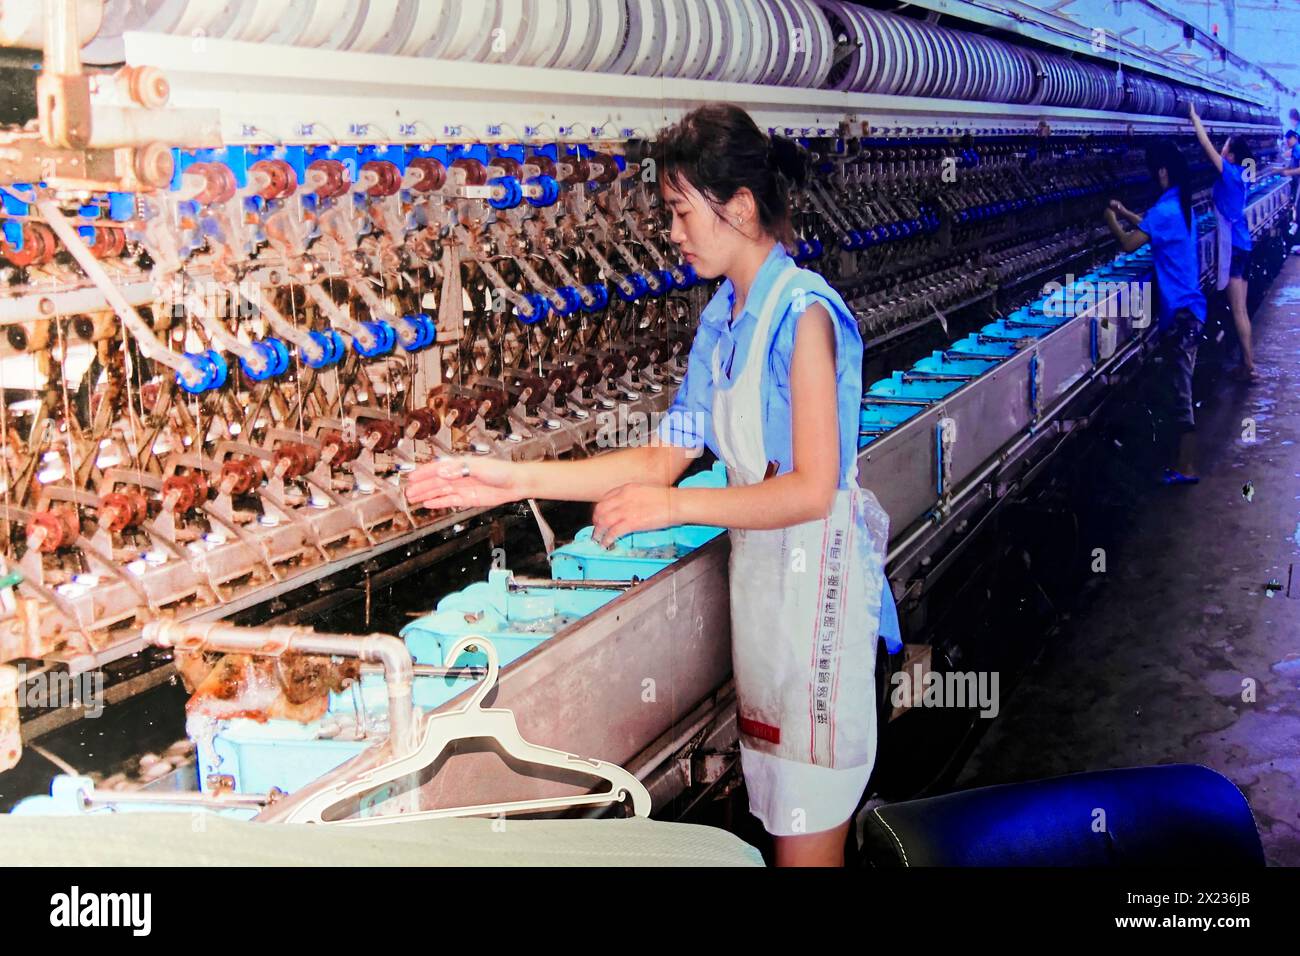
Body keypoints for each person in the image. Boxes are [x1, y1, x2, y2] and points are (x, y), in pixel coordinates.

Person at [404, 103, 901, 867]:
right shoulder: (726, 321)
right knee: (784, 836)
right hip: (768, 610)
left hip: (817, 617)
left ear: (736, 207)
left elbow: (811, 488)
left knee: (807, 851)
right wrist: (506, 481)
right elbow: (660, 457)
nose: (671, 232)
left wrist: (671, 506)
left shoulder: (804, 318)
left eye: (678, 210)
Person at [1105, 140, 1207, 485]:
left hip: (1180, 313)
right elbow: (1151, 227)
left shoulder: (1165, 212)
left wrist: (1111, 221)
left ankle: (1187, 468)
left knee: (1181, 392)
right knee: (1179, 386)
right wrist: (1126, 213)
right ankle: (1178, 462)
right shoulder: (1179, 205)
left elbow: (1131, 243)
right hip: (1189, 309)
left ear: (1161, 171)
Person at [1189, 103, 1256, 379]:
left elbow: (1206, 147)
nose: (1222, 150)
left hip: (1235, 247)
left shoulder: (1229, 174)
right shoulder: (1242, 175)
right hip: (1243, 244)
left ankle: (1250, 365)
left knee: (1239, 309)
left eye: (1225, 146)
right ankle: (1246, 362)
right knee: (1241, 308)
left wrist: (1195, 119)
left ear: (1231, 154)